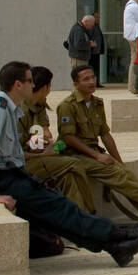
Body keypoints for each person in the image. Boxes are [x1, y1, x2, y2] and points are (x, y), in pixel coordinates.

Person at [0, 61, 138, 267]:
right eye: (30, 81)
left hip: (13, 173)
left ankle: (117, 247)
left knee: (59, 214)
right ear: (18, 85)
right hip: (1, 179)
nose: (34, 85)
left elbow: (20, 148)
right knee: (61, 204)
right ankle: (118, 232)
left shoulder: (14, 109)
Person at [57, 65, 138, 226]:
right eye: (86, 79)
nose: (92, 82)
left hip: (92, 152)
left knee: (124, 172)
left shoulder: (97, 103)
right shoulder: (67, 106)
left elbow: (105, 134)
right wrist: (97, 155)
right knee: (115, 173)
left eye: (93, 77)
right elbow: (68, 138)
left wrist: (118, 160)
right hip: (74, 154)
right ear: (76, 84)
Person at [20, 65, 96, 214]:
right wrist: (43, 154)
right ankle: (90, 215)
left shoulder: (38, 104)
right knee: (74, 164)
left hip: (37, 150)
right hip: (21, 162)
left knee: (69, 176)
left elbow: (46, 133)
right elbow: (15, 154)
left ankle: (78, 217)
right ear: (44, 88)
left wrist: (46, 144)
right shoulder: (21, 111)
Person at [89, 12, 106, 87]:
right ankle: (94, 83)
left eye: (98, 17)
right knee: (93, 68)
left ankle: (97, 82)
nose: (98, 19)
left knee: (97, 67)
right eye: (96, 17)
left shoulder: (97, 26)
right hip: (93, 51)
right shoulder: (91, 27)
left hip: (97, 51)